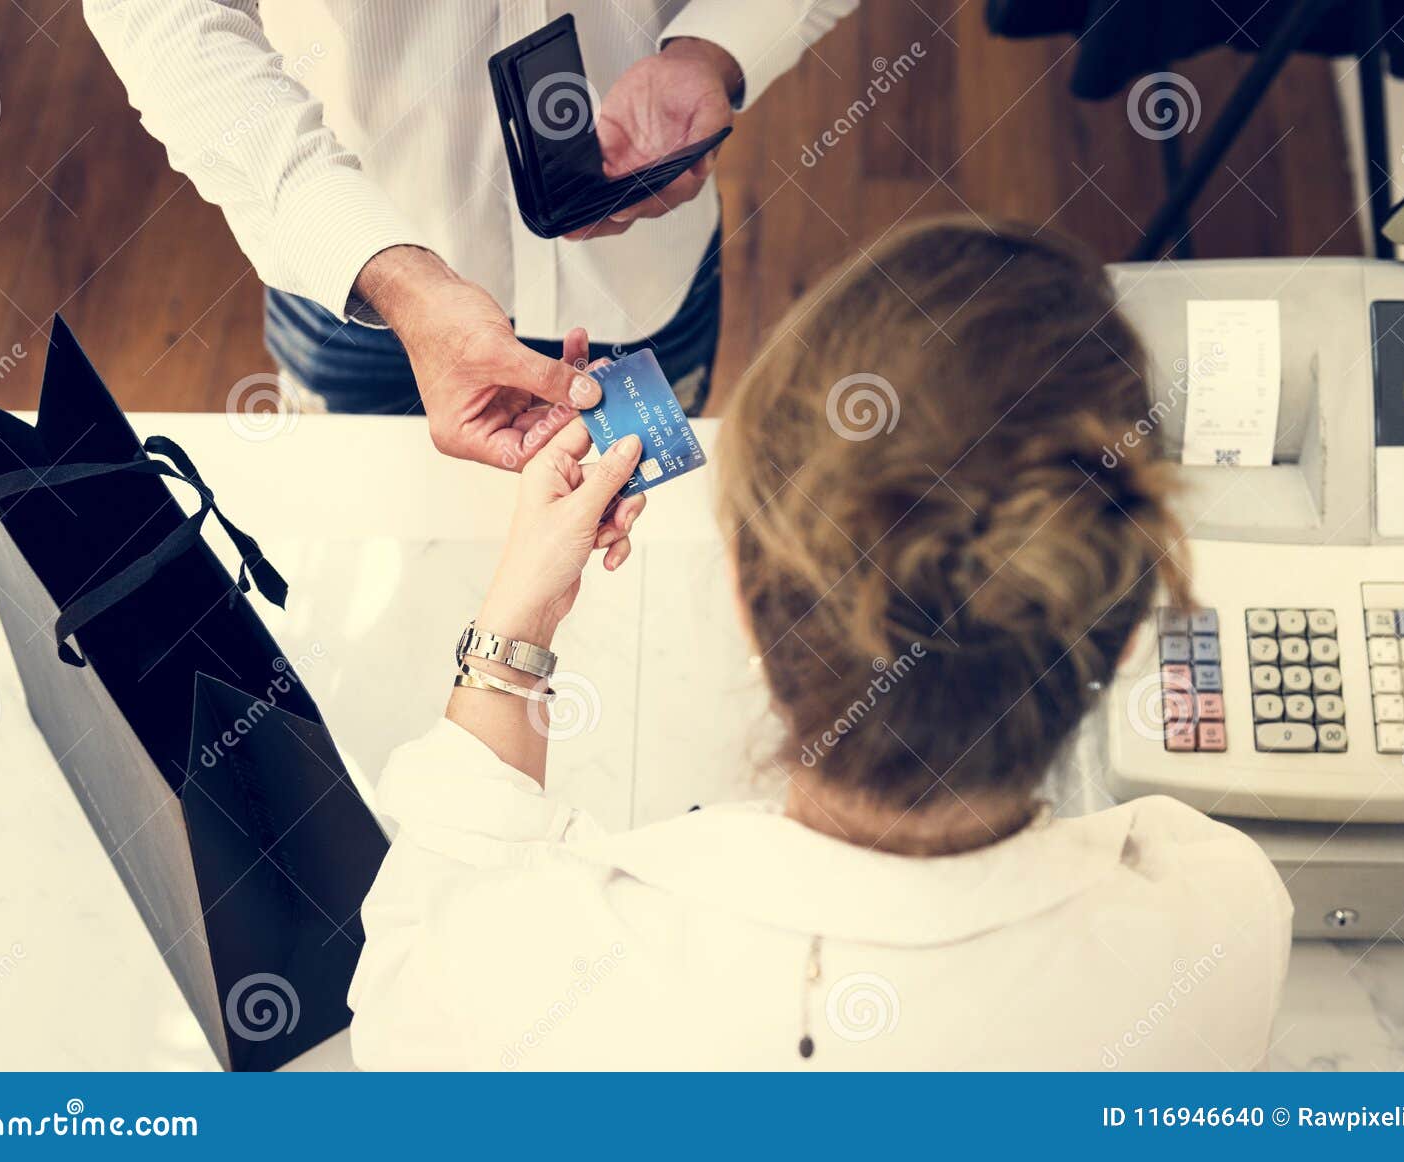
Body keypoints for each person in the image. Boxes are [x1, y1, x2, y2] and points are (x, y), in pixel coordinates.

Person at [344, 216, 1294, 1070]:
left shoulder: (522, 984)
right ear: (1127, 645)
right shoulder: (1222, 924)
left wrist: (516, 625)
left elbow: (400, 980)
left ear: (739, 592)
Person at [84, 0, 857, 465]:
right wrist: (374, 260)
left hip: (641, 282)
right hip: (352, 279)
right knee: (366, 543)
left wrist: (714, 48)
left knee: (627, 572)